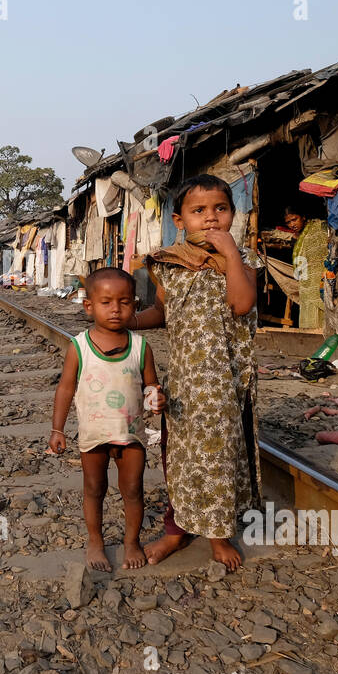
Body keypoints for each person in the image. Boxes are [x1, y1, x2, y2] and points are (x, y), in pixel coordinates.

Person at [130, 174, 260, 571]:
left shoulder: (242, 262)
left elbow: (241, 305)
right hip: (185, 383)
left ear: (232, 215)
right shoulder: (169, 263)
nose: (210, 218)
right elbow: (162, 312)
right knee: (179, 458)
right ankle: (177, 529)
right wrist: (126, 322)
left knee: (219, 458)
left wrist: (231, 255)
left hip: (224, 384)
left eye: (220, 209)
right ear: (179, 219)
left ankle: (218, 535)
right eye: (199, 211)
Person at [49, 267, 163, 572]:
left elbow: (150, 385)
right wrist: (57, 428)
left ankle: (131, 542)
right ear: (89, 306)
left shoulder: (141, 348)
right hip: (94, 434)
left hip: (132, 435)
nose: (116, 309)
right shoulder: (80, 347)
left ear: (135, 306)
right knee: (94, 488)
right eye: (106, 302)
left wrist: (156, 399)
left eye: (124, 302)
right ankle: (96, 540)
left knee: (133, 490)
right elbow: (66, 388)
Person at [283, 205, 328, 330]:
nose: (292, 224)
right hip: (305, 284)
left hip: (321, 280)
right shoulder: (298, 238)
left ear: (303, 217)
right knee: (308, 314)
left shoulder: (318, 228)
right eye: (288, 222)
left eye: (294, 219)